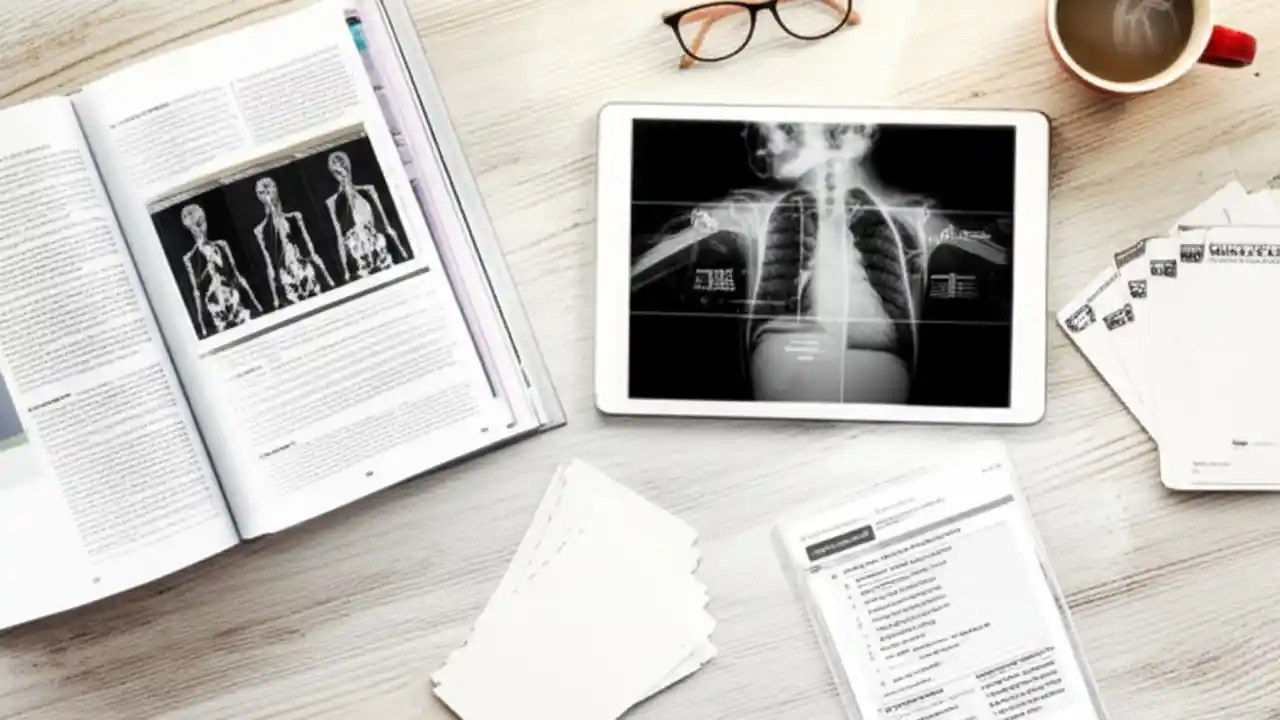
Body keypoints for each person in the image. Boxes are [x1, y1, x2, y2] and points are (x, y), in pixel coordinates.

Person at [324, 150, 408, 281]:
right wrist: (345, 269)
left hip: (375, 241)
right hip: (356, 249)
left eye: (342, 165)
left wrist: (401, 249)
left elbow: (385, 223)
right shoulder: (332, 202)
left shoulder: (368, 190)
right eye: (336, 167)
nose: (341, 170)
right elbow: (339, 235)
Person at [252, 177, 335, 308]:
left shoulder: (295, 217)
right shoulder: (260, 230)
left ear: (276, 189)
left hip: (303, 265)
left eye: (270, 189)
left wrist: (327, 278)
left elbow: (310, 249)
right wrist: (275, 297)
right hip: (286, 274)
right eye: (262, 192)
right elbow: (269, 263)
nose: (267, 194)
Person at [181, 203, 262, 338]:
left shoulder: (221, 245)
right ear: (189, 228)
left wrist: (255, 303)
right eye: (195, 226)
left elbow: (236, 274)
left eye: (201, 223)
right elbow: (197, 291)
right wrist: (202, 326)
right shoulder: (190, 258)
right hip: (216, 310)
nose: (200, 230)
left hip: (235, 301)